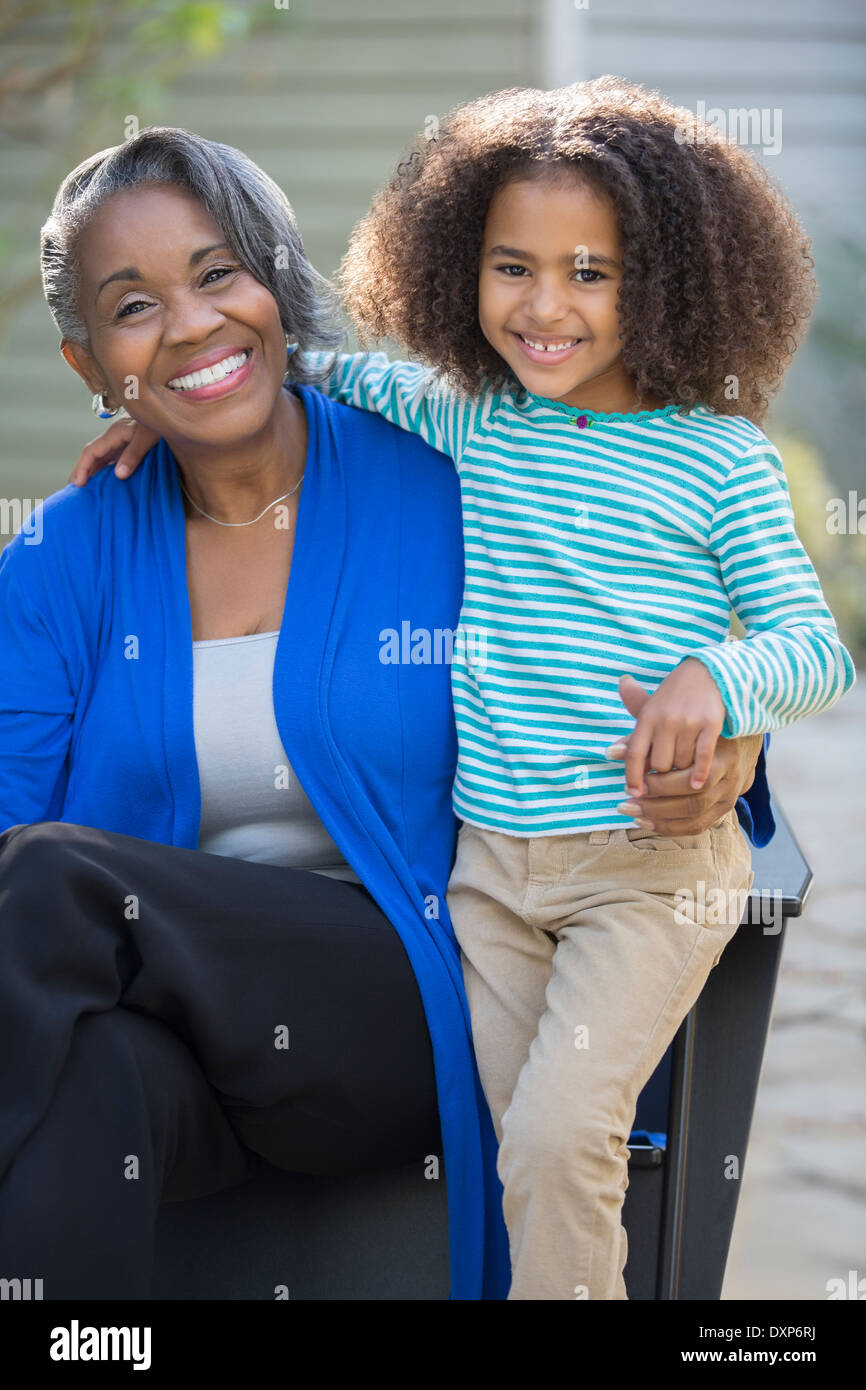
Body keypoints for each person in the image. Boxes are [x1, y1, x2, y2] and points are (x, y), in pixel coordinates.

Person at [57, 117, 772, 1303]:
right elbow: (279, 366)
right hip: (205, 994)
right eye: (135, 307)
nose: (546, 305)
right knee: (49, 928)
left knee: (47, 880)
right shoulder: (465, 432)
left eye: (217, 278)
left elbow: (749, 646)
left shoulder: (475, 476)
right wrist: (172, 396)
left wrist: (728, 731)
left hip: (431, 958)